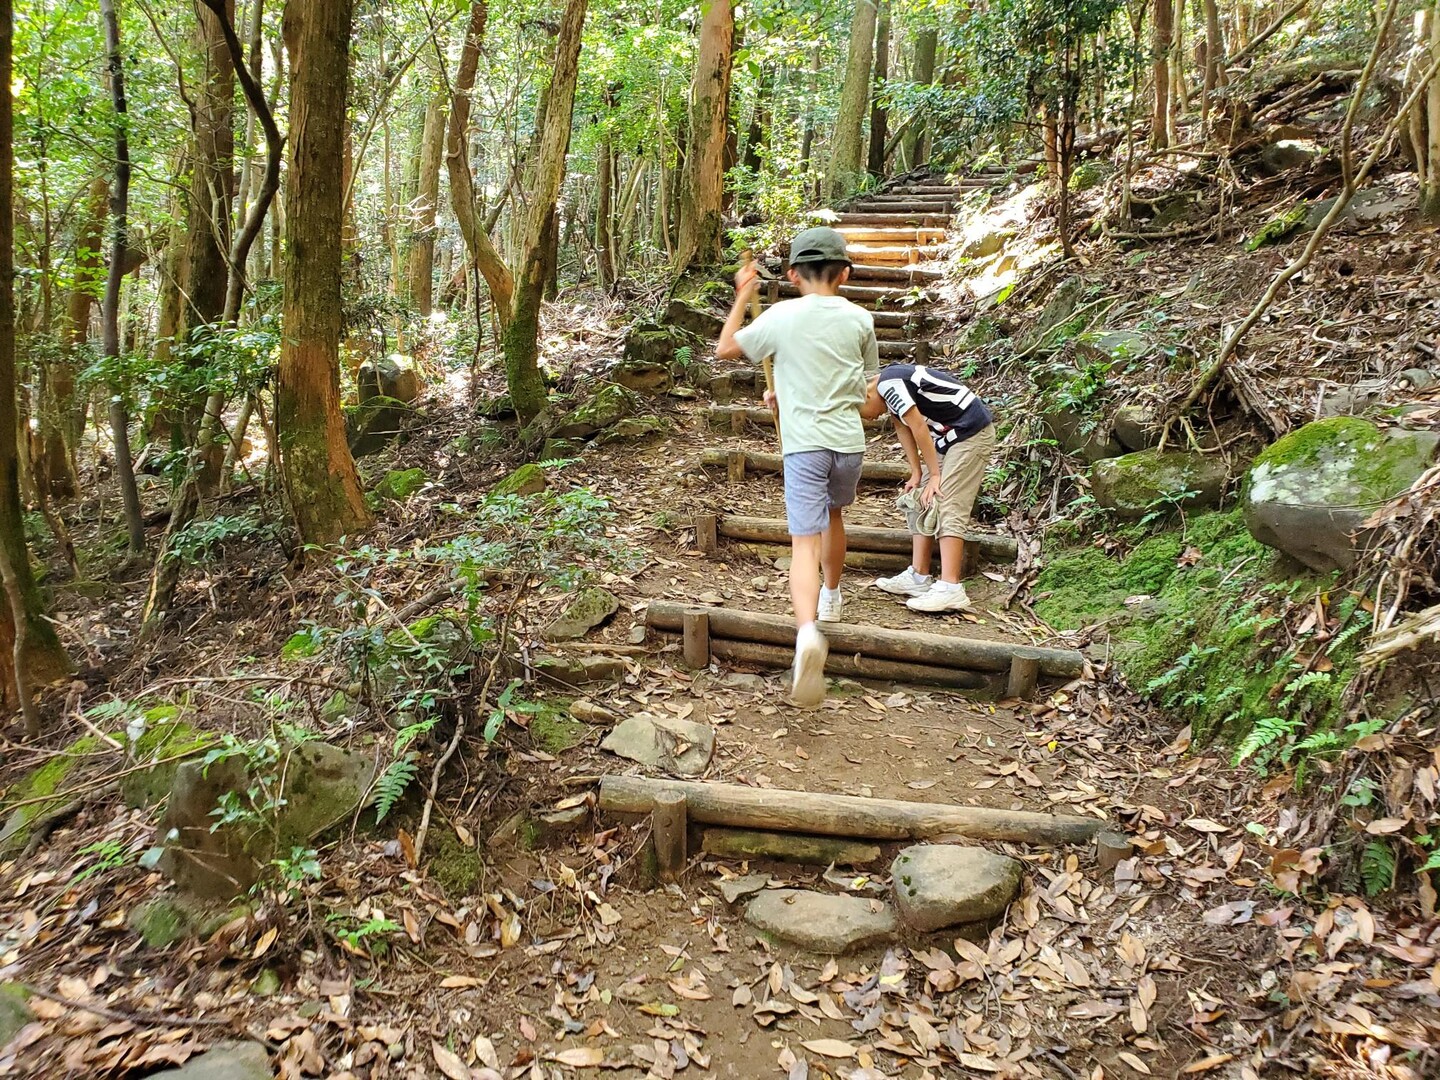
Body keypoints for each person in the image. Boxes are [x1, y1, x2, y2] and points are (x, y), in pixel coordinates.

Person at [715, 226, 879, 705]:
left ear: (791, 274)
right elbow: (870, 404)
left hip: (804, 446)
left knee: (803, 543)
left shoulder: (782, 316)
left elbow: (726, 349)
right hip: (848, 445)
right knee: (835, 516)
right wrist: (781, 394)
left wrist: (744, 295)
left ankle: (807, 631)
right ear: (844, 273)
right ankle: (832, 596)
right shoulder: (860, 320)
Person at [858, 362, 996, 613]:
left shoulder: (889, 384)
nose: (869, 418)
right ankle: (919, 577)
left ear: (866, 394)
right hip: (949, 438)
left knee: (947, 499)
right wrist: (917, 472)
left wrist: (934, 474)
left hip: (971, 432)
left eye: (862, 411)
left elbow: (918, 425)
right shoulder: (887, 389)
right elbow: (903, 428)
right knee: (920, 497)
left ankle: (951, 588)